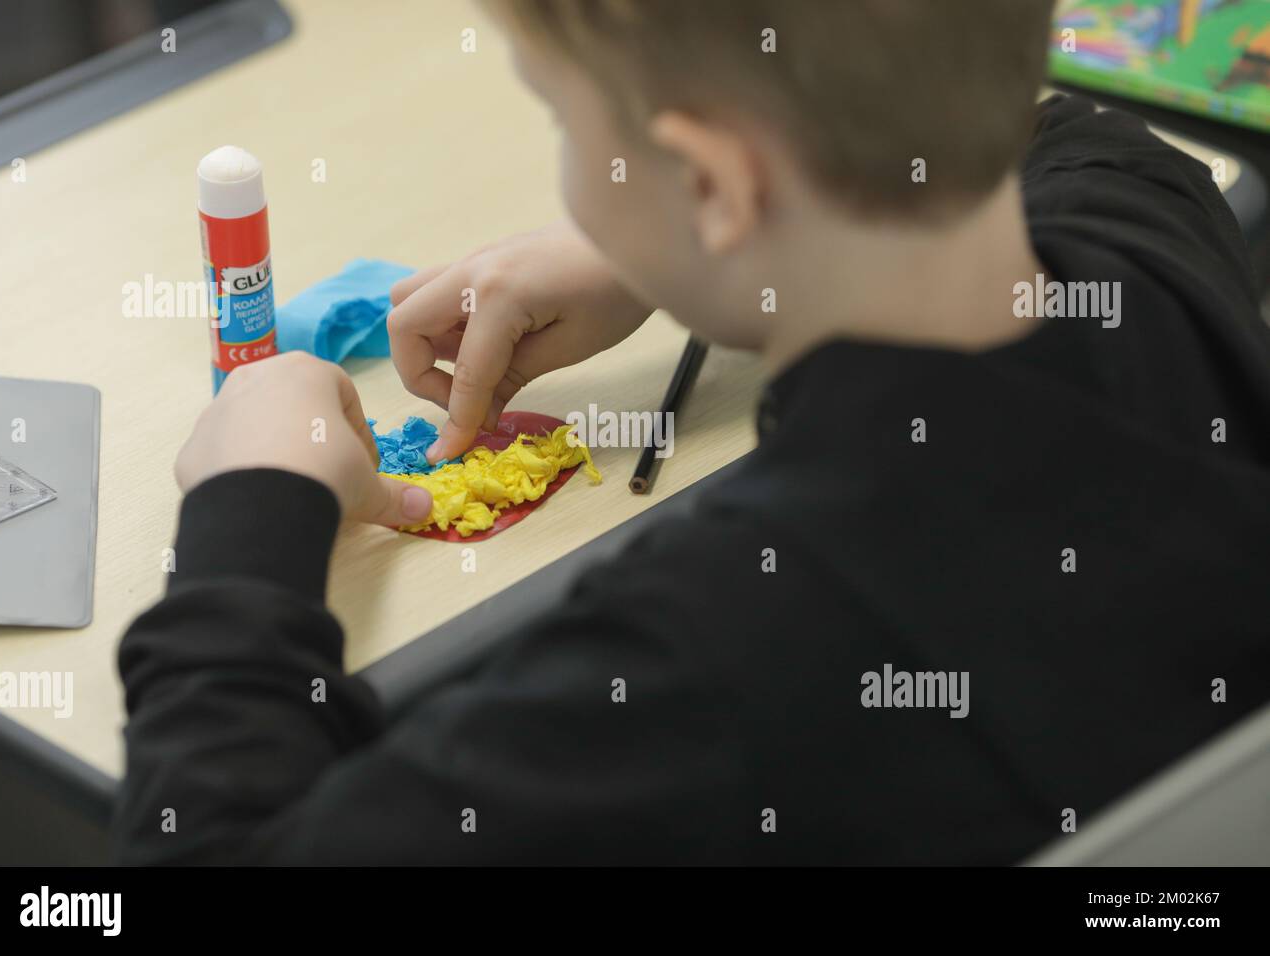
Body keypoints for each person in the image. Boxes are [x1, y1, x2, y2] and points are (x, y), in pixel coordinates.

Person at [114, 0, 1270, 864]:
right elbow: (1069, 145)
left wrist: (250, 503)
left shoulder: (699, 660)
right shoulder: (1153, 249)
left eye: (565, 124)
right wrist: (671, 247)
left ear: (718, 185)